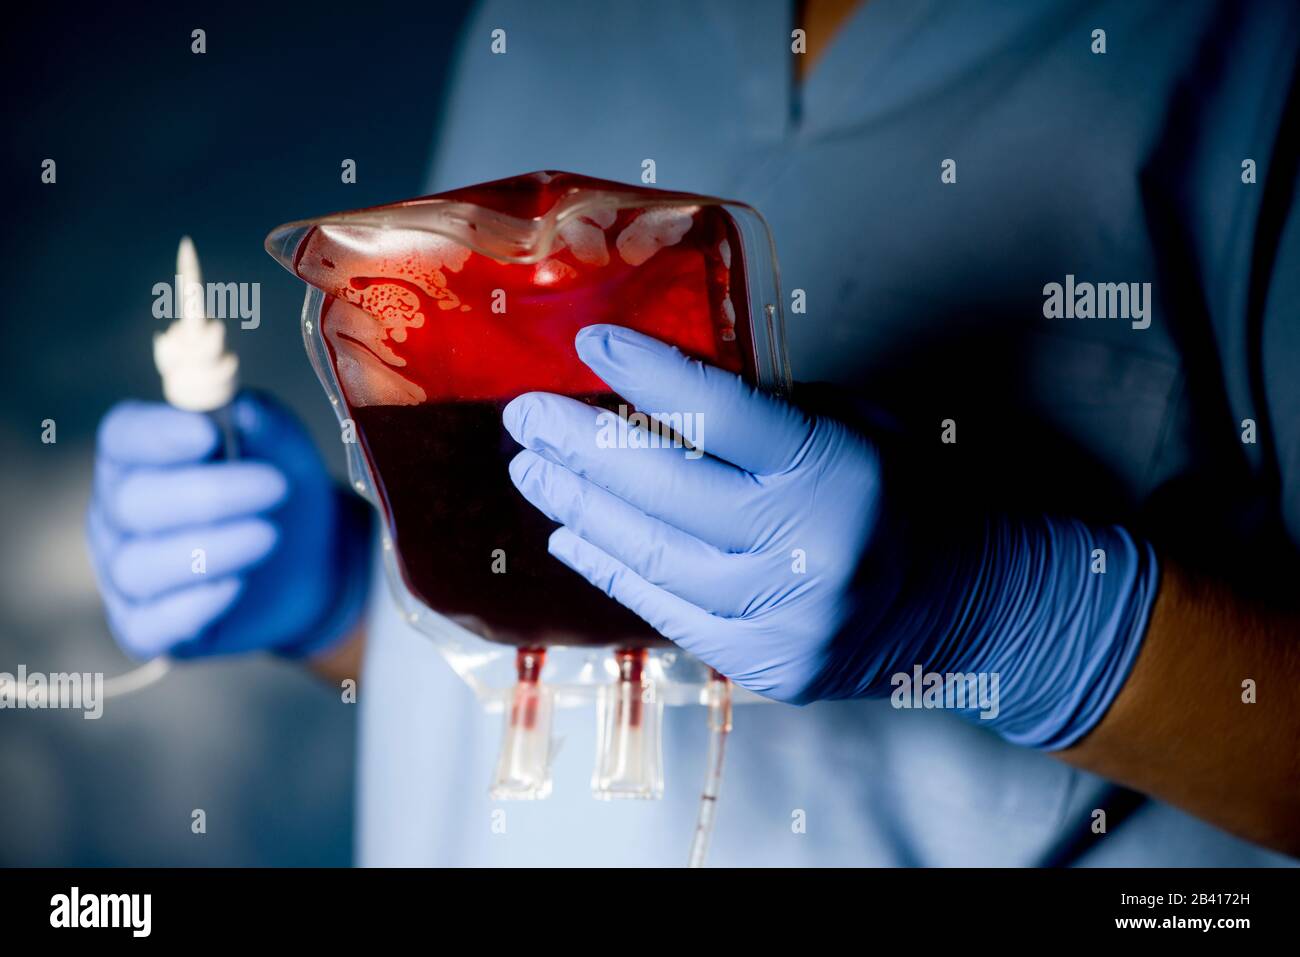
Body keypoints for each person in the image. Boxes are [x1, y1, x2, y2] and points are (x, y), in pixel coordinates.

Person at [87, 0, 1300, 865]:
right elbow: (568, 608)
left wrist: (1013, 614)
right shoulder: (546, 22)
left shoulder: (1239, 46)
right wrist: (350, 598)